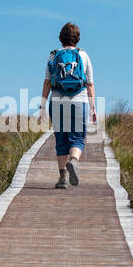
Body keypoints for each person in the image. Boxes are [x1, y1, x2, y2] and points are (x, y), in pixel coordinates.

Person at [40, 22, 97, 189]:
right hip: (79, 102)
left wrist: (43, 104)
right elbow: (90, 84)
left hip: (57, 101)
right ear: (77, 39)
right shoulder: (84, 56)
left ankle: (63, 178)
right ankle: (73, 161)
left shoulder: (53, 55)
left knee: (61, 139)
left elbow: (47, 82)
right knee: (78, 138)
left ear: (60, 38)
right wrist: (93, 107)